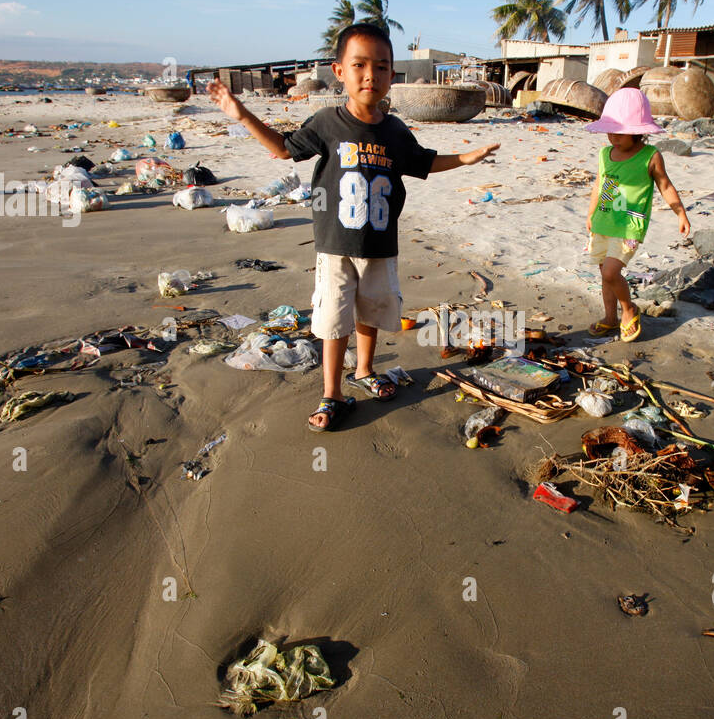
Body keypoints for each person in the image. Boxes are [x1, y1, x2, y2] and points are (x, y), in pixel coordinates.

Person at [207, 23, 499, 431]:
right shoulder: (327, 123)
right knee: (333, 319)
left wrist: (465, 158)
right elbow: (281, 148)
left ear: (391, 74)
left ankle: (364, 370)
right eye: (359, 64)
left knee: (370, 311)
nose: (370, 75)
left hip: (380, 245)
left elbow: (423, 162)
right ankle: (332, 392)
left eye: (381, 67)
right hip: (334, 245)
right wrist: (243, 115)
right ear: (339, 70)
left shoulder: (395, 130)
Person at [583, 88, 691, 343]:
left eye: (619, 133)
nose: (613, 138)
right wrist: (590, 214)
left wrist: (680, 213)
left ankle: (628, 308)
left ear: (637, 130)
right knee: (604, 274)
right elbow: (601, 185)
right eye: (610, 131)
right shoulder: (604, 154)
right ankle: (610, 317)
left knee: (611, 272)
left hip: (630, 226)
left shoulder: (650, 156)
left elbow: (665, 186)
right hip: (603, 222)